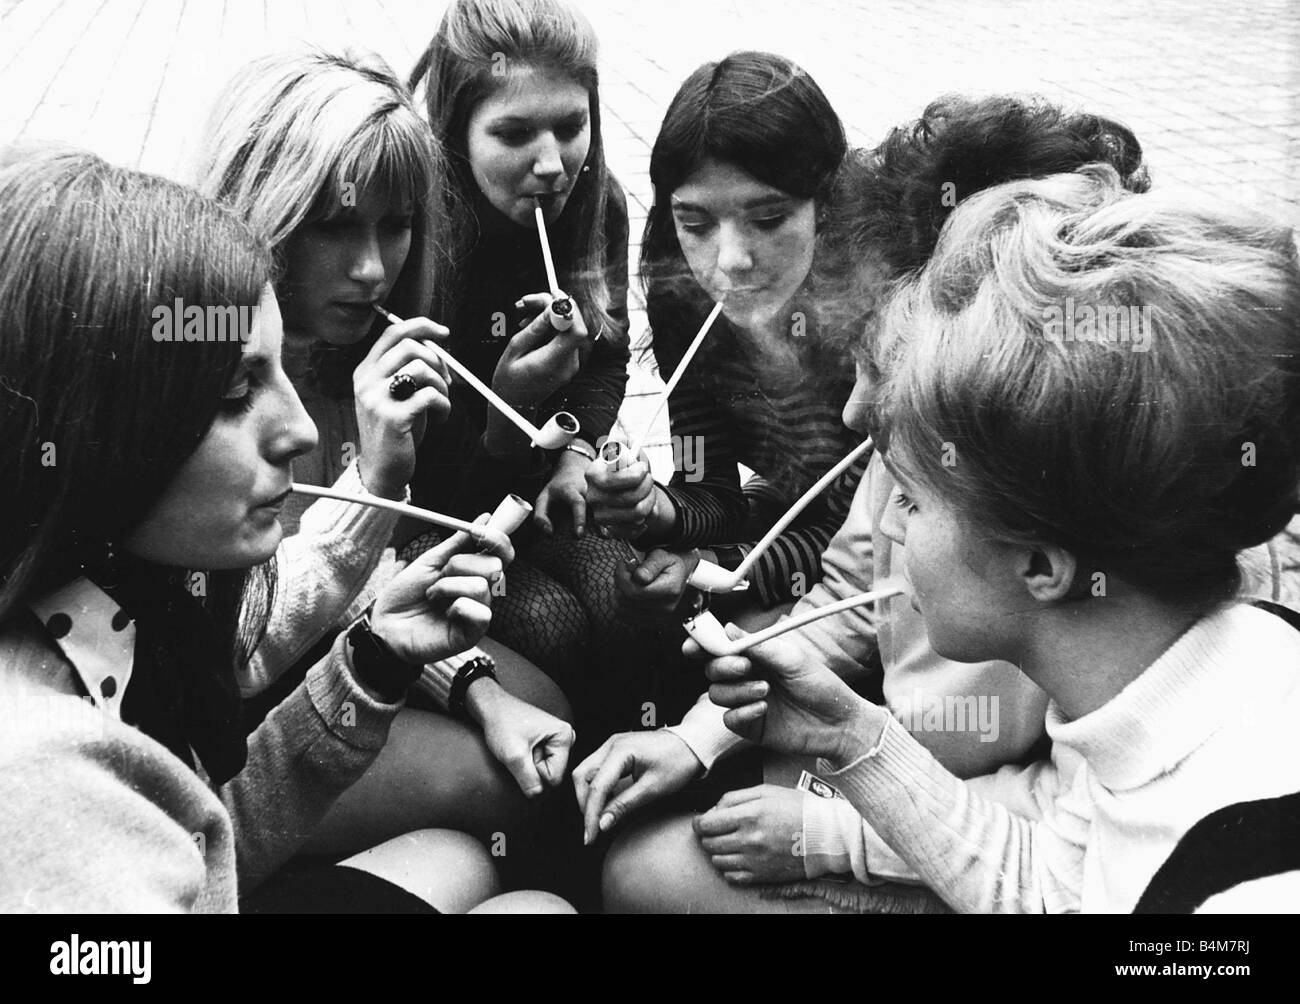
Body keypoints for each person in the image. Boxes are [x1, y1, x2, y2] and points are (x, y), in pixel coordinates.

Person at [589, 94, 1159, 912]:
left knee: (645, 873)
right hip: (929, 777)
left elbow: (1076, 848)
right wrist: (696, 738)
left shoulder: (1114, 543)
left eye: (885, 359)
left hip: (987, 850)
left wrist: (834, 831)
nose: (855, 410)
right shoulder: (931, 432)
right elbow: (853, 594)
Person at [702, 163, 1300, 912]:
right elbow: (1055, 880)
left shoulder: (1244, 892)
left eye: (913, 501)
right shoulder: (1202, 673)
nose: (887, 524)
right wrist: (854, 739)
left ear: (1042, 566)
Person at [0, 145, 569, 913]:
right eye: (238, 393)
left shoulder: (115, 583)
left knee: (462, 860)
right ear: (90, 424)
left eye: (397, 224)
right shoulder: (43, 774)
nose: (298, 431)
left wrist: (376, 661)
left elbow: (201, 842)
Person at [194, 49, 577, 863]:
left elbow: (367, 579)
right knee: (500, 786)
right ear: (261, 208)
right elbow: (245, 636)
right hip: (230, 741)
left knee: (541, 705)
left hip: (336, 659)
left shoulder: (352, 361)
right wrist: (374, 481)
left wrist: (473, 687)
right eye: (334, 226)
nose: (372, 269)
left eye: (396, 224)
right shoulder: (206, 379)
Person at [408, 0, 634, 687]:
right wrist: (510, 418)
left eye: (571, 127)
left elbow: (607, 358)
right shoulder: (416, 238)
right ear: (455, 132)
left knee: (627, 597)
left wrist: (577, 451)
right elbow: (422, 483)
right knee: (550, 626)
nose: (551, 164)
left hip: (546, 486)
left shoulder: (600, 207)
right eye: (512, 133)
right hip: (432, 516)